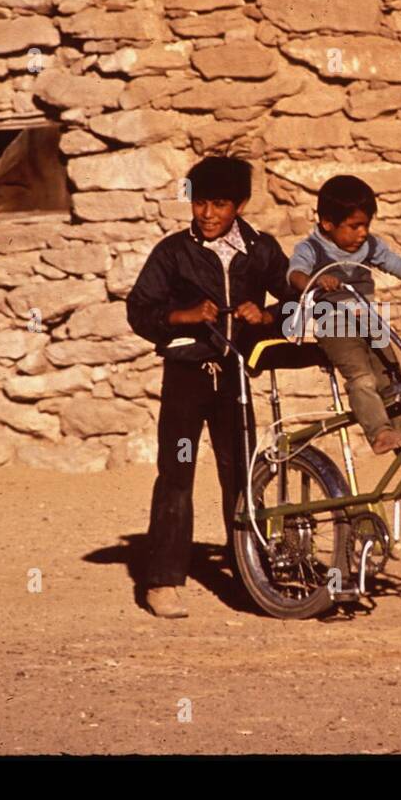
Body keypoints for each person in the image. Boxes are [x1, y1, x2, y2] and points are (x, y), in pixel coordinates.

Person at [125, 156, 290, 619]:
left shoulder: (261, 250)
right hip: (187, 377)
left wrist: (267, 315)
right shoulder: (173, 252)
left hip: (235, 378)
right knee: (177, 474)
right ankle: (162, 581)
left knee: (241, 475)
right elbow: (139, 310)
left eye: (219, 204)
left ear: (240, 205)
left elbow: (297, 299)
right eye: (199, 203)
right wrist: (184, 316)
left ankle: (252, 576)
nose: (207, 213)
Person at [287, 175, 401, 455]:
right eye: (355, 226)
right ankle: (379, 433)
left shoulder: (370, 246)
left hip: (370, 321)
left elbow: (398, 264)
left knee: (392, 377)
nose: (362, 233)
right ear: (327, 223)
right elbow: (296, 274)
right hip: (335, 326)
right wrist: (315, 281)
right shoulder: (310, 248)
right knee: (362, 378)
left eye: (366, 225)